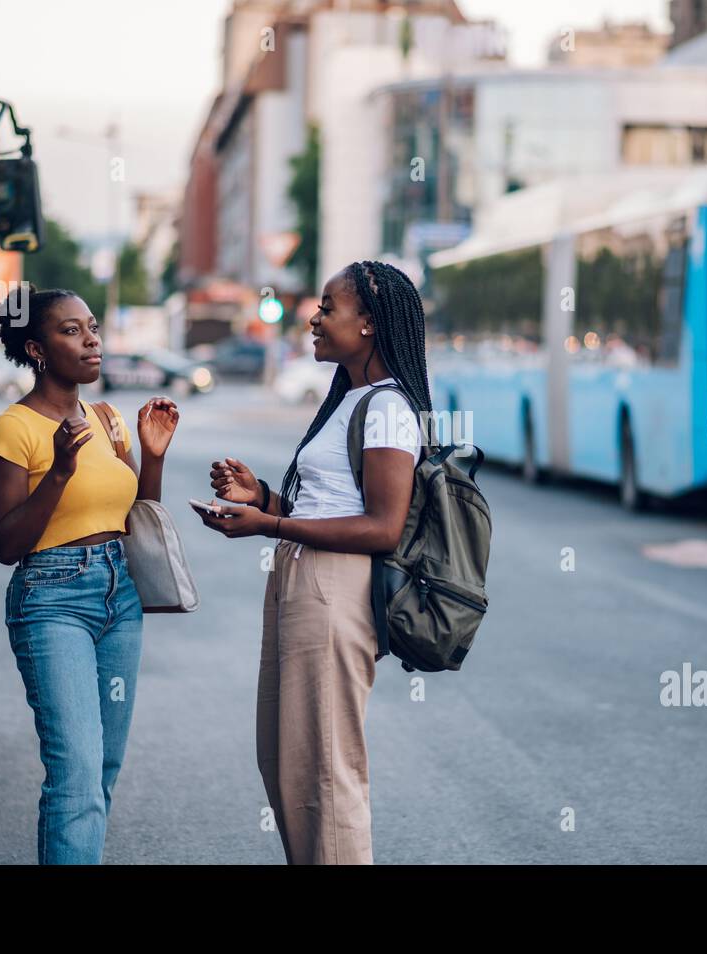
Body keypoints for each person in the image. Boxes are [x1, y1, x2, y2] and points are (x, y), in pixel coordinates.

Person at [199, 261, 429, 865]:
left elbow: (382, 527)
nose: (315, 317)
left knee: (326, 771)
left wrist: (270, 524)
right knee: (284, 762)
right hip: (297, 576)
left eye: (329, 307)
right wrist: (264, 498)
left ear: (371, 324)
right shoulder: (349, 399)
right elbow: (329, 505)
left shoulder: (387, 408)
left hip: (334, 587)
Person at [0, 286, 179, 864]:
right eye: (71, 330)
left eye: (92, 327)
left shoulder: (107, 419)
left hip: (121, 597)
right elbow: (5, 542)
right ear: (37, 350)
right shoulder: (11, 430)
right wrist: (59, 472)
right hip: (51, 597)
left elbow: (137, 518)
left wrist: (153, 455)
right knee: (76, 773)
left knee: (103, 769)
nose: (91, 339)